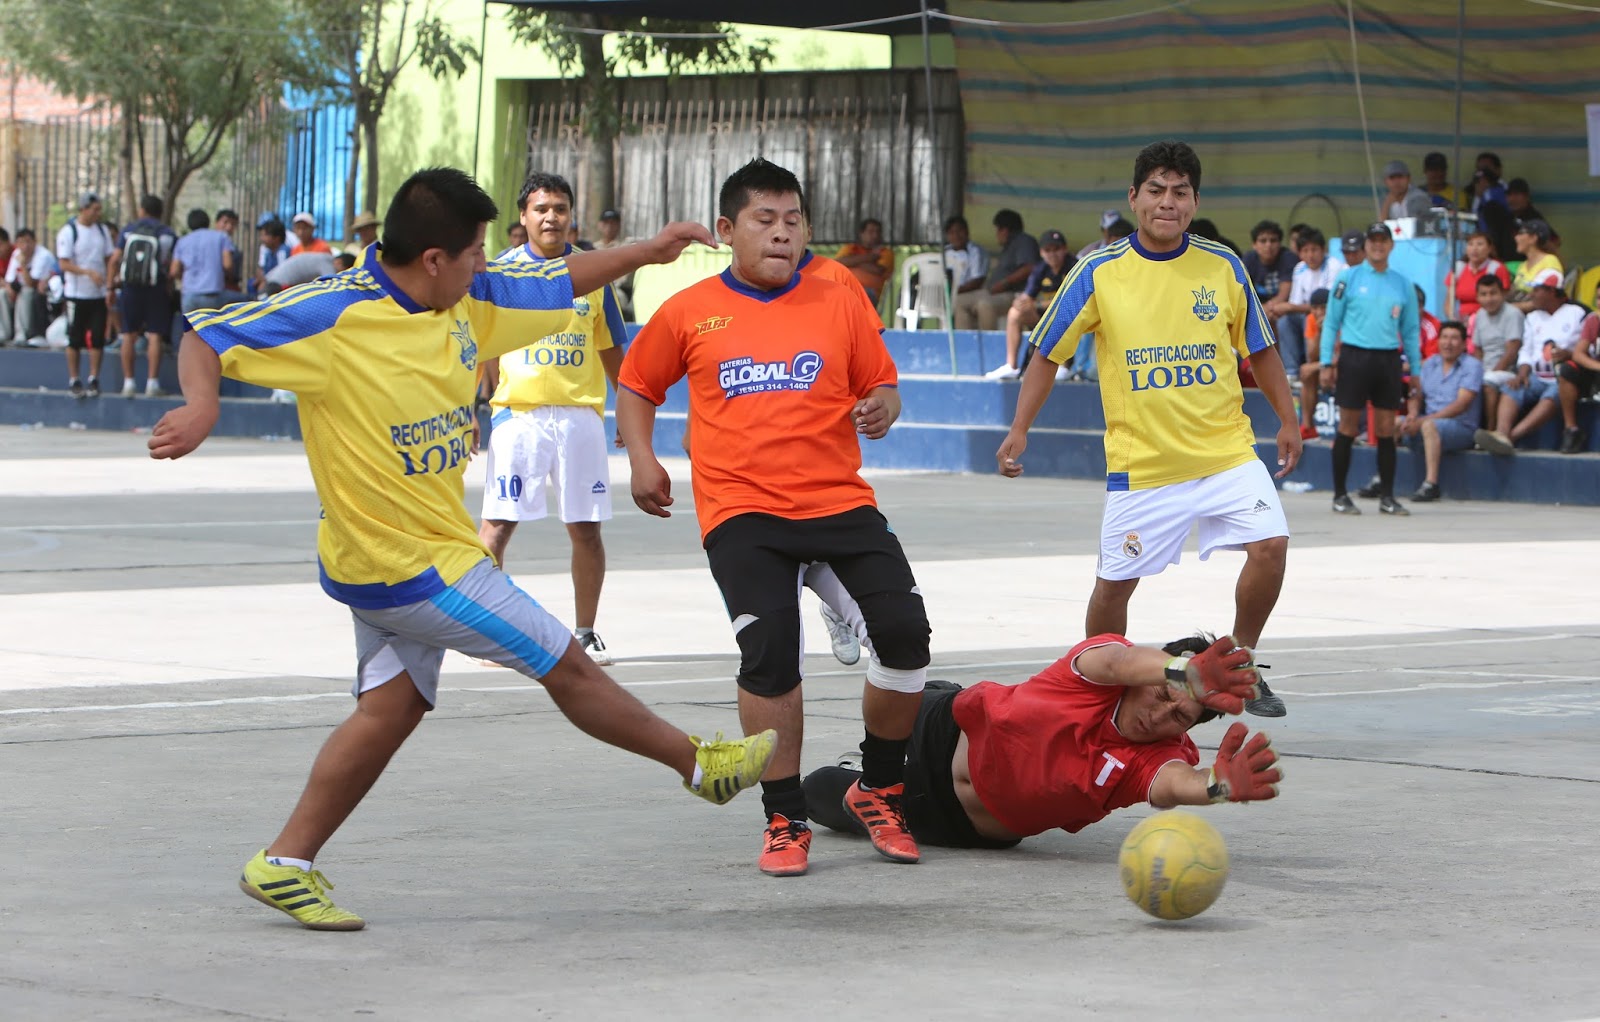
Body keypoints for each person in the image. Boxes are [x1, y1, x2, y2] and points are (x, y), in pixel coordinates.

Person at [148, 166, 775, 931]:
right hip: (406, 567)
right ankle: (699, 765)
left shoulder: (467, 299)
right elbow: (206, 334)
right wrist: (203, 405)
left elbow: (560, 279)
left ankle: (285, 862)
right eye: (477, 250)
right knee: (565, 660)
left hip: (403, 556)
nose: (489, 261)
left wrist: (646, 251)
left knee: (393, 707)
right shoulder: (332, 315)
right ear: (434, 258)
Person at [616, 157, 929, 877]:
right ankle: (786, 817)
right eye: (765, 220)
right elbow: (636, 385)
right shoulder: (691, 310)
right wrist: (642, 460)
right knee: (771, 651)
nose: (783, 233)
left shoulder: (839, 294)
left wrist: (884, 406)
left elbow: (881, 381)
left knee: (906, 636)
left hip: (839, 504)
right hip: (744, 513)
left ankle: (879, 789)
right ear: (728, 230)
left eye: (794, 221)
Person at [996, 139, 1299, 720]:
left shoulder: (1224, 265)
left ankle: (1242, 662)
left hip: (1226, 453)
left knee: (1271, 546)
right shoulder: (1098, 270)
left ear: (1195, 202)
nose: (1168, 202)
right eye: (1156, 190)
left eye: (1180, 192)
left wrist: (1289, 420)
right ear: (1134, 197)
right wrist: (1019, 428)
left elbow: (1260, 348)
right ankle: (1096, 687)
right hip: (1144, 469)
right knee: (1114, 588)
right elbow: (1047, 352)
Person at [802, 634, 1281, 849]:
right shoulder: (1098, 673)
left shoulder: (1158, 754)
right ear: (1151, 676)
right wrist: (1185, 671)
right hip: (942, 729)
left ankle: (863, 779)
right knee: (895, 702)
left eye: (1178, 717)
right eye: (1162, 694)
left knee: (818, 791)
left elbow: (1175, 783)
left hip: (956, 825)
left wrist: (1215, 786)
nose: (1159, 715)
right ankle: (877, 766)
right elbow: (1119, 660)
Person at [477, 172, 627, 666]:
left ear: (570, 216)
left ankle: (586, 634)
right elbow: (476, 345)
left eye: (560, 209)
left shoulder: (592, 273)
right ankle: (490, 633)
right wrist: (470, 407)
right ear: (523, 216)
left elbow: (612, 349)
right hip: (518, 417)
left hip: (579, 418)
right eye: (541, 209)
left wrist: (630, 412)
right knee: (497, 527)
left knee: (586, 529)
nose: (551, 217)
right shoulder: (499, 275)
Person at [1317, 222, 1422, 516]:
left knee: (1386, 429)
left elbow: (1410, 330)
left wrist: (1415, 370)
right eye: (1372, 240)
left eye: (1382, 240)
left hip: (1388, 359)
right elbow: (1331, 323)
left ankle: (1387, 497)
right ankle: (1340, 495)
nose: (1377, 245)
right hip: (1354, 357)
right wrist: (1326, 362)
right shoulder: (1348, 278)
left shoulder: (1402, 284)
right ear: (1365, 246)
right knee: (1348, 426)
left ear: (1391, 245)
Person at [1476, 269, 1584, 456]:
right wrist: (1522, 373)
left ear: (1551, 291)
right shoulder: (1533, 318)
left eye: (1536, 290)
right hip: (1535, 376)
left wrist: (1569, 354)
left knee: (1553, 394)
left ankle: (1510, 437)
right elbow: (1526, 351)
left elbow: (1586, 350)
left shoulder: (1576, 313)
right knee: (1512, 387)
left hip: (1562, 378)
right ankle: (1501, 433)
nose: (1531, 295)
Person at [1400, 320, 1482, 502]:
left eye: (1454, 338)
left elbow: (1462, 404)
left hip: (1461, 427)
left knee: (1429, 426)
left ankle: (1431, 484)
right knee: (1395, 423)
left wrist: (1423, 421)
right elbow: (1415, 394)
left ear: (1464, 344)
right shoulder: (1430, 363)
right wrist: (1413, 415)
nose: (1448, 343)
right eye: (1444, 337)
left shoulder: (1472, 366)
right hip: (1427, 422)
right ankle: (1382, 479)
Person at [108, 194, 180, 397]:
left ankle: (128, 383)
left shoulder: (129, 230)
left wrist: (110, 287)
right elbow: (173, 267)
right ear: (160, 213)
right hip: (156, 288)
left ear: (142, 210)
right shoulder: (167, 234)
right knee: (155, 335)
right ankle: (152, 383)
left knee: (128, 334)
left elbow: (114, 260)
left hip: (130, 288)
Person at [985, 228, 1075, 379]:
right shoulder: (1041, 268)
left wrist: (1037, 305)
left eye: (1056, 249)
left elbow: (1070, 300)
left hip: (1071, 317)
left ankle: (1063, 366)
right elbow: (1028, 295)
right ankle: (1011, 365)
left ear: (1065, 249)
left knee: (1063, 314)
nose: (1052, 254)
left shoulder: (1074, 266)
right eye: (1047, 250)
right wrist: (1020, 302)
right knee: (1015, 313)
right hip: (1044, 317)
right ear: (1041, 252)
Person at [56, 191, 116, 398]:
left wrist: (109, 283)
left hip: (97, 294)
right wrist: (87, 272)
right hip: (76, 293)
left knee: (98, 337)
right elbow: (64, 263)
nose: (97, 214)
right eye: (94, 210)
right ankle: (74, 378)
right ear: (83, 209)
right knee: (75, 338)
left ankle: (94, 378)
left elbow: (109, 258)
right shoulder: (69, 232)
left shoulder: (102, 231)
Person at [955, 209, 1038, 331]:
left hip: (1015, 294)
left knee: (985, 305)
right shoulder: (1008, 246)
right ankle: (965, 341)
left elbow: (1029, 267)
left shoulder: (1024, 241)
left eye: (997, 230)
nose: (997, 234)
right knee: (958, 302)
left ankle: (989, 341)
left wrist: (1005, 283)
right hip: (993, 292)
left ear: (1004, 230)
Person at [1277, 227, 1344, 377]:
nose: (1310, 255)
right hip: (1308, 314)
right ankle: (1291, 373)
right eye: (1305, 251)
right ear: (1299, 253)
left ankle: (1312, 369)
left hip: (1329, 316)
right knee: (1285, 322)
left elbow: (1329, 304)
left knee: (1310, 319)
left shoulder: (1334, 266)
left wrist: (1290, 307)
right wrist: (1290, 308)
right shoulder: (1300, 268)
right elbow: (1295, 303)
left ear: (1323, 250)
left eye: (1314, 250)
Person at [1471, 274, 1524, 428]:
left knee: (1489, 380)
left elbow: (1512, 350)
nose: (1489, 299)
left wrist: (1491, 372)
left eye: (1493, 293)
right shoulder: (1480, 315)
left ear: (1503, 294)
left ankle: (1491, 429)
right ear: (1477, 297)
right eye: (1483, 294)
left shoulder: (1513, 314)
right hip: (1486, 369)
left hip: (1509, 370)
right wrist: (1477, 371)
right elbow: (1478, 349)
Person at [1555, 281, 1600, 455]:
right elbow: (1578, 354)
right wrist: (1598, 367)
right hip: (1595, 374)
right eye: (1598, 298)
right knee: (1567, 370)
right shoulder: (1593, 320)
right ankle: (1571, 430)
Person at [170, 209, 237, 320]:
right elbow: (228, 265)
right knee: (211, 329)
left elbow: (174, 271)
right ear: (208, 222)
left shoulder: (182, 241)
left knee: (191, 329)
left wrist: (186, 279)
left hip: (189, 295)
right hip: (213, 294)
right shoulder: (221, 237)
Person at [5, 228, 59, 345]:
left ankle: (23, 334)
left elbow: (31, 283)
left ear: (35, 242)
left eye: (28, 242)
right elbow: (9, 280)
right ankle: (3, 332)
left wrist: (23, 265)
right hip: (22, 287)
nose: (25, 246)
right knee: (2, 293)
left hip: (42, 291)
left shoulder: (42, 255)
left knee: (26, 292)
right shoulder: (16, 254)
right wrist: (9, 289)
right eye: (21, 242)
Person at [1445, 231, 1509, 325]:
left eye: (1479, 244)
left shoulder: (1497, 268)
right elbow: (1449, 302)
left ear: (1489, 249)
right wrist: (1454, 320)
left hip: (1489, 320)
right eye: (1470, 244)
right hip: (1462, 321)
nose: (1474, 249)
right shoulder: (1458, 268)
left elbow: (1503, 300)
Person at [833, 217, 895, 306]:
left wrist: (851, 261)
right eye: (871, 232)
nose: (875, 235)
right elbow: (837, 263)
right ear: (861, 233)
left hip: (869, 293)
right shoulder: (851, 248)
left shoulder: (885, 252)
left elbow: (878, 270)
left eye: (878, 232)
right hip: (845, 288)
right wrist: (871, 257)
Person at [1296, 288, 1332, 439]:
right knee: (1307, 373)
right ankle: (1308, 426)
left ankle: (1348, 429)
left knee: (1318, 370)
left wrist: (1323, 366)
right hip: (1325, 363)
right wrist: (1319, 331)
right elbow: (1312, 355)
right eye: (1315, 308)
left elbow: (1344, 354)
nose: (1319, 312)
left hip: (1343, 364)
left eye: (1323, 308)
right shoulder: (1311, 319)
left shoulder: (1340, 318)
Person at [1508, 219, 1561, 314]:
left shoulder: (1550, 261)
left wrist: (1510, 308)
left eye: (1520, 233)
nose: (1516, 238)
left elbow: (1547, 298)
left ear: (1533, 238)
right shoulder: (1523, 265)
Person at [591, 209, 633, 319]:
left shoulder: (625, 247)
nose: (609, 227)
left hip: (618, 289)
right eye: (606, 223)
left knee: (616, 298)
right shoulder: (592, 248)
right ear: (599, 225)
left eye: (613, 223)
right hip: (593, 289)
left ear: (618, 225)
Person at [943, 215, 989, 304]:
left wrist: (954, 292)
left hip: (969, 294)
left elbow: (977, 281)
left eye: (959, 231)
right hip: (945, 294)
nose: (956, 235)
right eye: (951, 232)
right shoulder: (945, 251)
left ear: (967, 231)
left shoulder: (976, 251)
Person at [253, 218, 292, 297]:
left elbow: (281, 272)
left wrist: (265, 281)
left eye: (265, 235)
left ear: (276, 238)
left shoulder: (282, 251)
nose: (262, 239)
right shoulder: (269, 252)